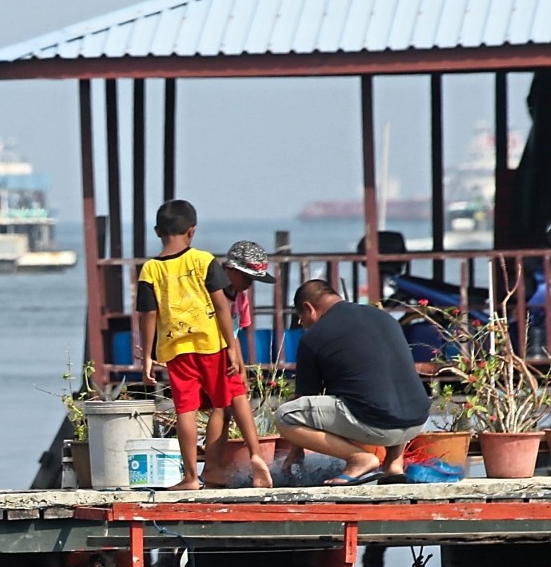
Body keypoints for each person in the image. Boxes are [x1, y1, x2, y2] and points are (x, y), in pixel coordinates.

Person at [135, 200, 252, 491]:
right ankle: (213, 469)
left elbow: (148, 315)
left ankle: (190, 478)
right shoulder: (204, 260)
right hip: (211, 344)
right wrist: (231, 346)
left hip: (176, 349)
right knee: (220, 406)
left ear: (157, 231)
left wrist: (148, 356)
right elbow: (222, 308)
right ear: (192, 231)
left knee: (185, 409)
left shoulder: (150, 269)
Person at [277, 279, 431, 484]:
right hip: (416, 420)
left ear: (309, 308)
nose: (302, 324)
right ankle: (393, 465)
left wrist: (297, 449)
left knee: (286, 415)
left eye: (301, 319)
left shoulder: (313, 336)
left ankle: (359, 458)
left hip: (377, 423)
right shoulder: (384, 318)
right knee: (389, 388)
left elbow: (305, 398)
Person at [206, 240, 279, 489]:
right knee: (224, 404)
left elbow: (235, 334)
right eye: (246, 277)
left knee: (227, 406)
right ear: (230, 270)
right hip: (209, 351)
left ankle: (216, 468)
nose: (249, 284)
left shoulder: (240, 298)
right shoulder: (213, 294)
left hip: (228, 353)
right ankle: (251, 455)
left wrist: (240, 363)